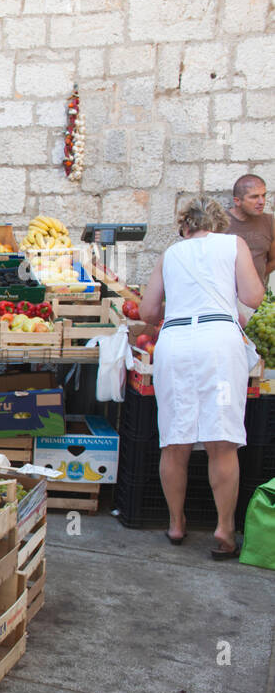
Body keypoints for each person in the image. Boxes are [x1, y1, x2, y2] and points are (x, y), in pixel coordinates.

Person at [140, 197, 266, 559]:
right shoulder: (234, 244)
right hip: (219, 346)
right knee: (221, 439)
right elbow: (253, 296)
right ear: (218, 223)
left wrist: (181, 302)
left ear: (184, 226)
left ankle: (176, 524)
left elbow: (149, 312)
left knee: (175, 439)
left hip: (176, 343)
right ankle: (224, 529)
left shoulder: (170, 254)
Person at [225, 173, 274, 287]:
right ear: (237, 201)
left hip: (256, 298)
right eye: (254, 197)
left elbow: (273, 260)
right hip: (226, 296)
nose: (261, 202)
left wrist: (255, 279)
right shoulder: (220, 223)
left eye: (264, 195)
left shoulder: (269, 222)